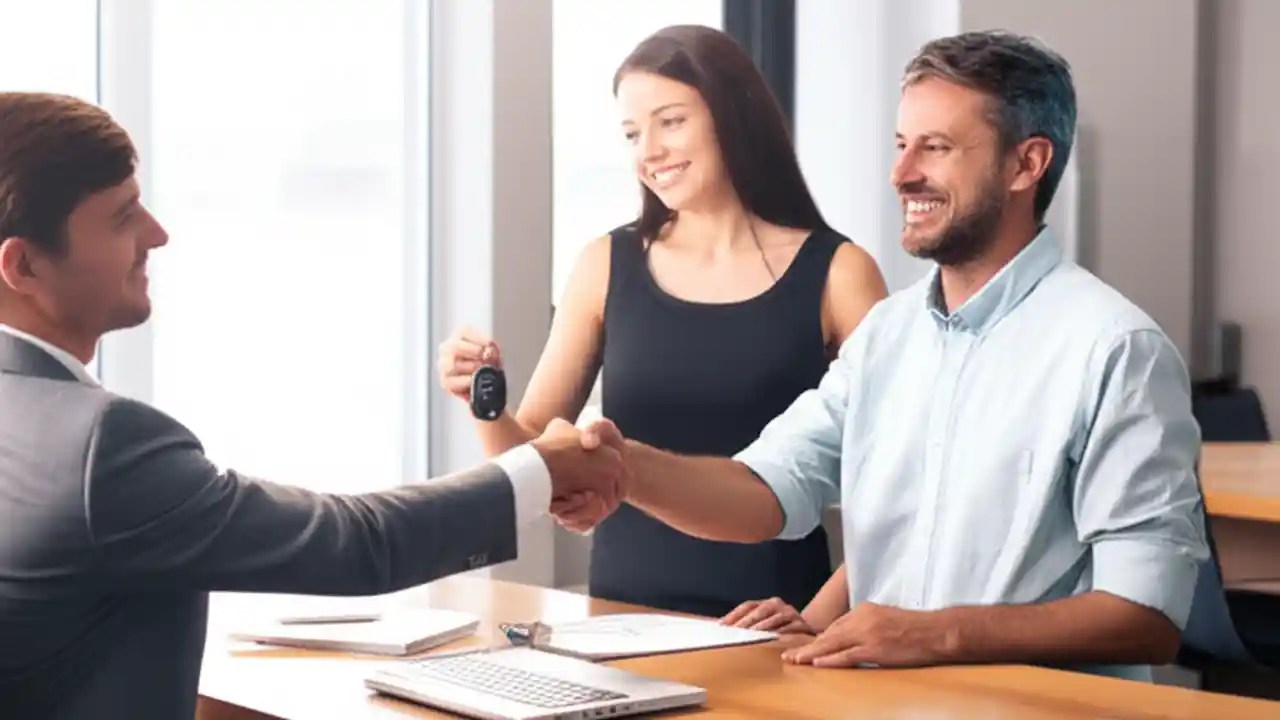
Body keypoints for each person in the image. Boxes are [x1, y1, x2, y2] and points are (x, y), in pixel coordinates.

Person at [559, 30, 1209, 681]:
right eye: (901, 146)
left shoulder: (1116, 349)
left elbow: (1147, 613)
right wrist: (628, 469)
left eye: (937, 147)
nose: (902, 174)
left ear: (1026, 165)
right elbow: (766, 492)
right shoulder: (886, 337)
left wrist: (933, 635)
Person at [0, 92, 625, 720]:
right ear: (23, 265)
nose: (157, 234)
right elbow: (356, 543)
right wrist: (543, 469)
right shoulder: (100, 444)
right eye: (122, 216)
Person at [437, 25, 887, 617]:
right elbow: (532, 467)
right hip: (622, 622)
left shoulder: (841, 273)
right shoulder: (605, 264)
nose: (647, 151)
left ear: (733, 115)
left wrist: (814, 621)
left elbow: (896, 491)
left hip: (775, 633)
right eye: (632, 133)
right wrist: (483, 402)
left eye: (670, 121)